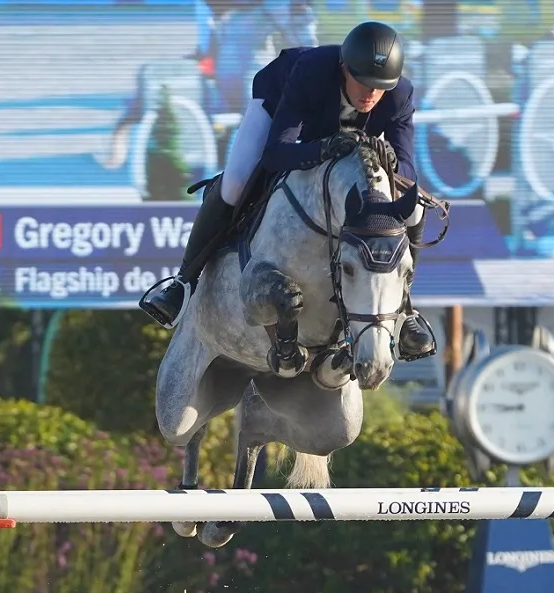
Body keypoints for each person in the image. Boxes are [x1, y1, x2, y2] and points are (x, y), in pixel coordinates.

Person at [139, 21, 436, 363]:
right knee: (235, 183)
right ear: (344, 68)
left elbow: (408, 170)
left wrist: (393, 163)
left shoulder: (399, 95)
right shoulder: (310, 73)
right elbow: (276, 153)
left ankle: (406, 312)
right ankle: (183, 282)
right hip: (278, 103)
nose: (370, 94)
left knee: (414, 207)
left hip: (344, 140)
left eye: (379, 87)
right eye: (363, 82)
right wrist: (322, 148)